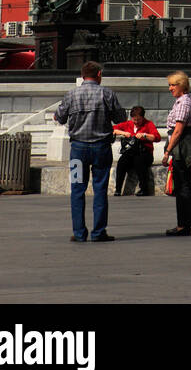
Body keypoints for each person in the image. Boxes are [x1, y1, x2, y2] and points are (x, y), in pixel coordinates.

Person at [53, 60, 126, 242]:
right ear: (99, 74)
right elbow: (120, 118)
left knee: (77, 189)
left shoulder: (71, 95)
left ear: (82, 75)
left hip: (78, 149)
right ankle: (98, 232)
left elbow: (60, 117)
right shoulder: (107, 94)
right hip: (101, 147)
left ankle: (79, 233)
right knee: (100, 189)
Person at [162, 71, 191, 237]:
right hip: (181, 144)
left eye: (173, 85)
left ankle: (184, 224)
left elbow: (178, 130)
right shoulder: (182, 101)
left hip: (182, 146)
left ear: (182, 86)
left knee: (183, 185)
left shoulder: (184, 102)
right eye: (170, 85)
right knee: (182, 185)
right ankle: (183, 223)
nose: (170, 88)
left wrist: (167, 151)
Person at [113, 106, 161, 196]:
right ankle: (118, 189)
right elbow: (113, 129)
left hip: (144, 152)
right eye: (134, 120)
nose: (136, 122)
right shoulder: (128, 124)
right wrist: (123, 133)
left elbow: (157, 137)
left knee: (139, 161)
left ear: (143, 118)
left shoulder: (148, 124)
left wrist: (144, 135)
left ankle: (144, 189)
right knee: (121, 162)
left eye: (138, 120)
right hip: (131, 152)